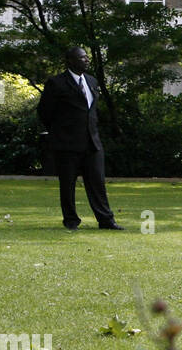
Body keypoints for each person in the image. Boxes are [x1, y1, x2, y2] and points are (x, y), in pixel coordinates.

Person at [37, 46, 124, 231]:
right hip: (67, 144)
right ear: (70, 61)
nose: (86, 60)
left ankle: (106, 220)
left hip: (92, 143)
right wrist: (60, 132)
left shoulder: (91, 81)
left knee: (97, 183)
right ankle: (71, 221)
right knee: (68, 185)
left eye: (87, 57)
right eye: (82, 57)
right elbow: (45, 112)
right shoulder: (57, 83)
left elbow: (92, 111)